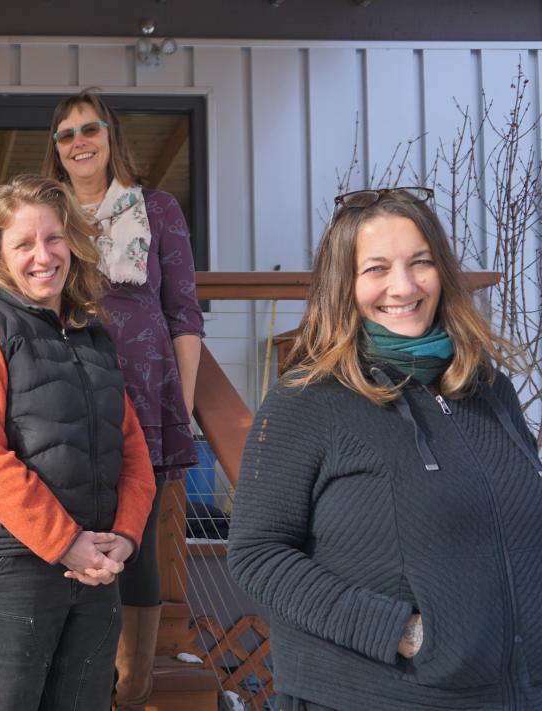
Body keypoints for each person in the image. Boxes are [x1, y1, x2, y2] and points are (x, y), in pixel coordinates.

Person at [228, 187, 542, 710]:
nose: (403, 286)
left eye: (420, 263)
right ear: (344, 285)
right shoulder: (307, 399)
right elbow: (258, 554)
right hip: (371, 694)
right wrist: (400, 632)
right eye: (376, 269)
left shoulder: (489, 391)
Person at [0, 174, 157, 710]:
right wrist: (67, 542)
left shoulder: (94, 338)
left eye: (53, 238)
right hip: (5, 573)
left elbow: (134, 458)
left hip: (96, 571)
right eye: (24, 243)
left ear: (73, 243)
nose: (43, 255)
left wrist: (124, 539)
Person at [41, 89, 204, 709]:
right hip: (67, 388)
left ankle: (130, 687)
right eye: (66, 135)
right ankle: (75, 675)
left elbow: (184, 312)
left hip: (147, 389)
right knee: (73, 525)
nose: (80, 142)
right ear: (55, 150)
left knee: (133, 534)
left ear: (110, 136)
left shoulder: (156, 209)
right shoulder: (49, 214)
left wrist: (182, 404)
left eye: (90, 129)